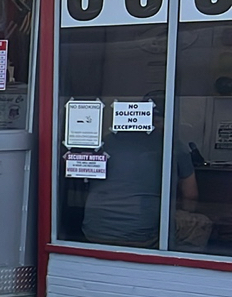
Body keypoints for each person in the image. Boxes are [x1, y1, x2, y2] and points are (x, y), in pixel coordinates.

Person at [81, 99, 212, 249]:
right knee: (201, 224)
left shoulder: (106, 141)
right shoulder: (172, 144)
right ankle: (172, 269)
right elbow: (191, 195)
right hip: (143, 236)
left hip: (93, 231)